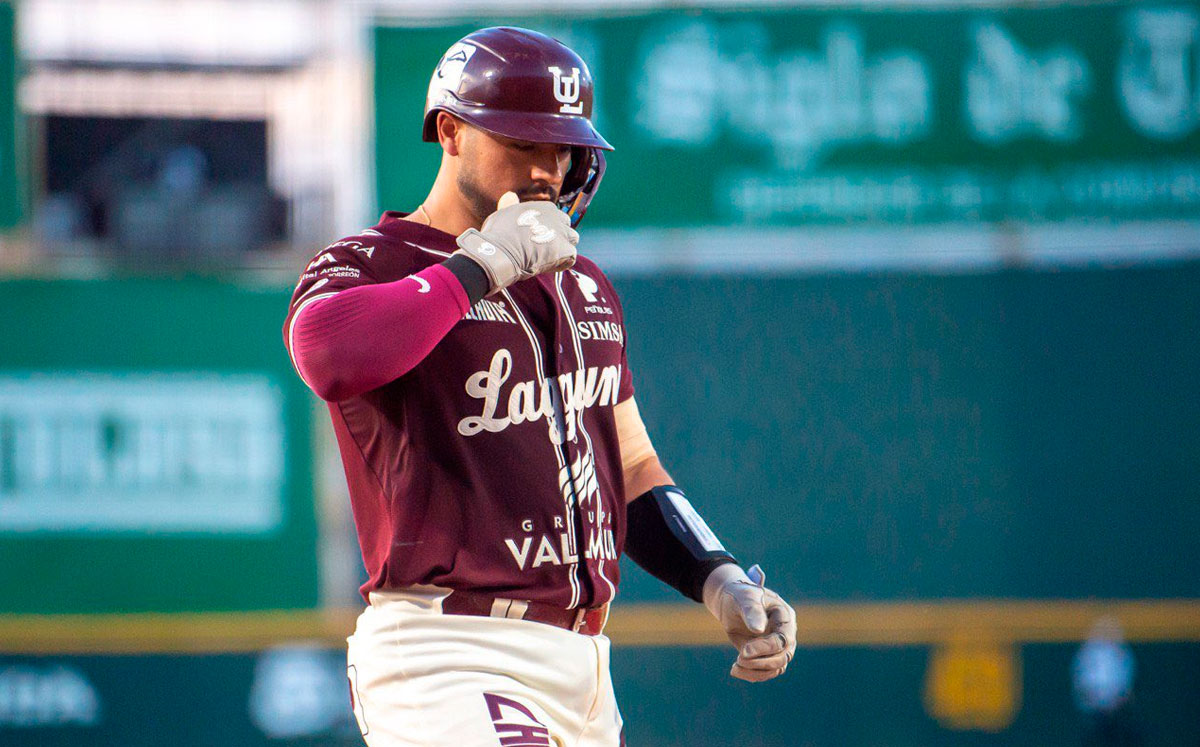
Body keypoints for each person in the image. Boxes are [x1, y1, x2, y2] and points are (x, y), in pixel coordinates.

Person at [283, 26, 796, 746]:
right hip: (448, 650)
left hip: (584, 660)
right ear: (450, 130)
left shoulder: (584, 285)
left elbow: (633, 467)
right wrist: (479, 265)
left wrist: (718, 575)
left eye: (563, 147)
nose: (548, 169)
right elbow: (326, 353)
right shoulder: (378, 261)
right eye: (523, 141)